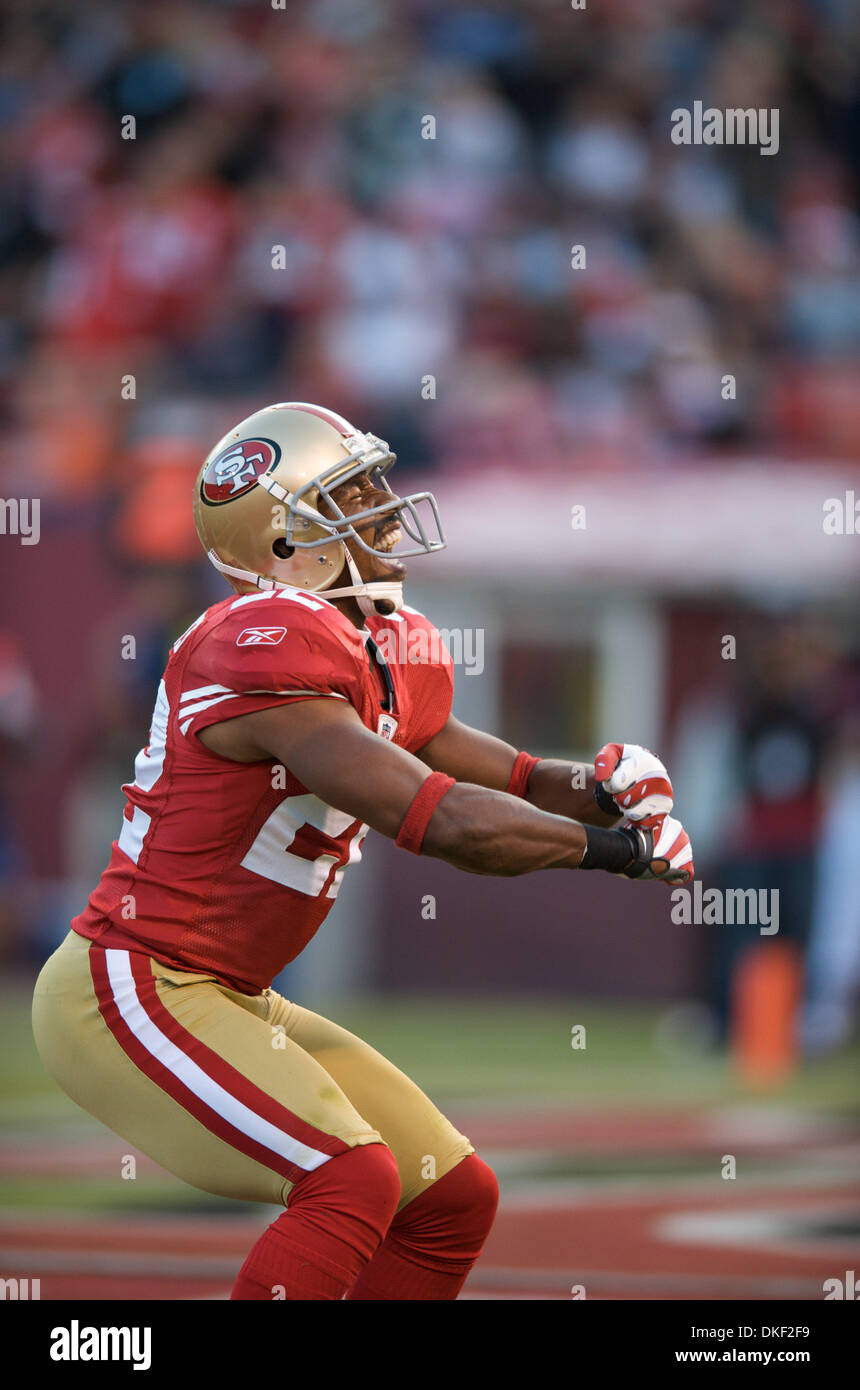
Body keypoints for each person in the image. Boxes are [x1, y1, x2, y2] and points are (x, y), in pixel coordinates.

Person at [32, 402, 693, 1301]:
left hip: (226, 992)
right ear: (282, 543)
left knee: (450, 1197)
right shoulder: (255, 647)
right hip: (132, 982)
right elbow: (453, 823)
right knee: (349, 1179)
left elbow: (509, 772)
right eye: (352, 492)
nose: (383, 506)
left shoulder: (378, 642)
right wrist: (616, 850)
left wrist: (613, 784)